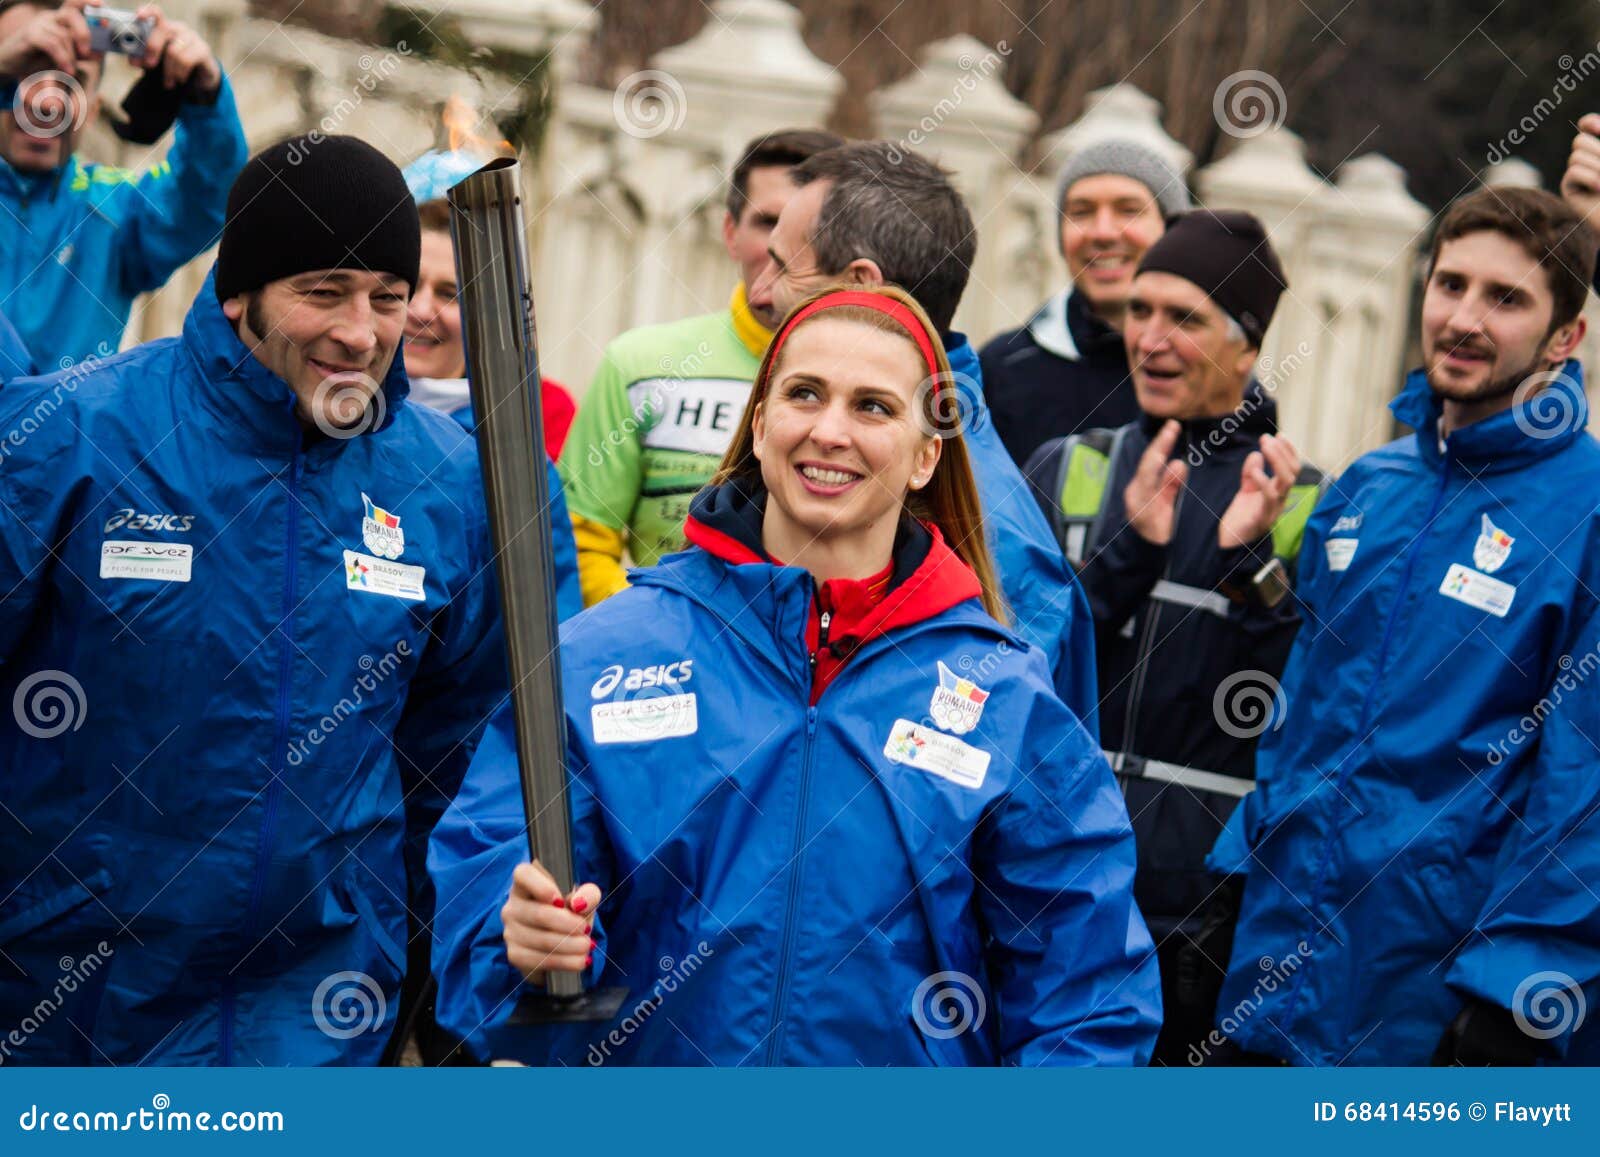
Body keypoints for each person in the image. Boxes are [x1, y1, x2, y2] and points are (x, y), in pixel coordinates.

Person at [430, 285, 1161, 1065]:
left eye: (874, 406)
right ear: (760, 420)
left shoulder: (1004, 696)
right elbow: (497, 959)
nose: (830, 429)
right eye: (804, 393)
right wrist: (521, 952)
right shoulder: (603, 656)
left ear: (925, 456)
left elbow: (1088, 993)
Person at [0, 134, 506, 1065]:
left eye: (386, 298)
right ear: (240, 292)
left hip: (311, 1017)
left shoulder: (445, 486)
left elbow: (458, 759)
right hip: (68, 1008)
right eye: (323, 291)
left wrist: (429, 977)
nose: (362, 331)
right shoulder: (67, 439)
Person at [1211, 186, 1600, 1066]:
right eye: (1450, 284)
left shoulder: (1587, 516)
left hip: (1430, 1006)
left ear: (1564, 336)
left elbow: (1585, 785)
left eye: (1506, 299)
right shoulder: (1367, 487)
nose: (1464, 318)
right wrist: (1243, 869)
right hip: (1277, 973)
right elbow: (1307, 706)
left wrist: (1513, 988)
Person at [1022, 210, 1319, 1065]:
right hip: (1049, 875)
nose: (1150, 338)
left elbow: (1297, 713)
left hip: (1199, 917)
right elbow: (1017, 666)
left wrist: (1250, 563)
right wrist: (1127, 556)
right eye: (1141, 310)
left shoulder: (1307, 500)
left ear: (1247, 346)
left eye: (1184, 318)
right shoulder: (1068, 466)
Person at [748, 140, 1100, 729]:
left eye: (783, 267)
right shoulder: (795, 442)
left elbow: (1001, 779)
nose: (760, 293)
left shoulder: (998, 545)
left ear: (861, 286)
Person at [558, 127, 842, 607]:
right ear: (730, 233)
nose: (784, 248)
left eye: (810, 230)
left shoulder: (879, 386)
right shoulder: (639, 364)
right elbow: (579, 546)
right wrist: (670, 631)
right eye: (768, 221)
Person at [0, 0, 246, 368]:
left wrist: (205, 94)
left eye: (73, 80)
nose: (45, 102)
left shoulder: (115, 212)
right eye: (24, 72)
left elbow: (208, 198)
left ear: (94, 109)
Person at [982, 139, 1191, 468]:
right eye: (1081, 212)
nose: (1103, 232)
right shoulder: (999, 369)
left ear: (1171, 231)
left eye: (1128, 210)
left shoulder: (1208, 370)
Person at [403, 196, 576, 459]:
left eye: (449, 294)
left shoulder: (539, 410)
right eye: (409, 286)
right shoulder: (337, 391)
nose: (421, 311)